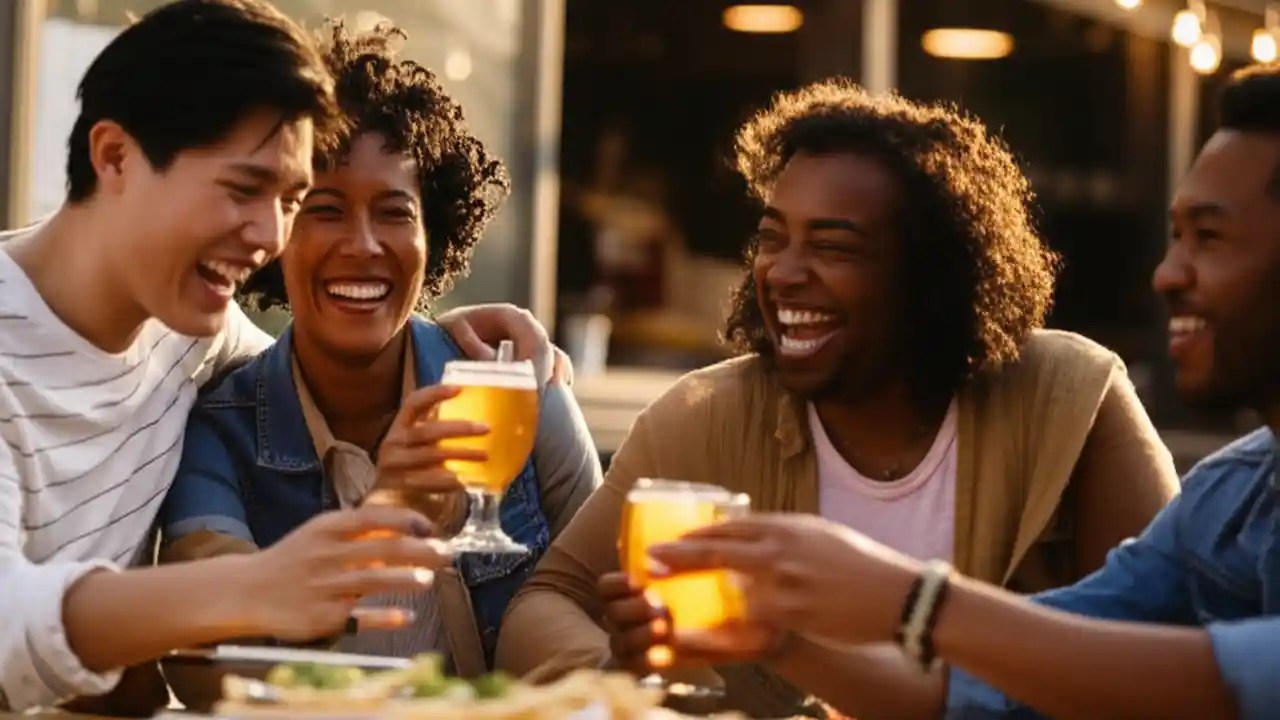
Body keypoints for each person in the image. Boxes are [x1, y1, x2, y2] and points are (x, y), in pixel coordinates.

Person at [496, 78, 1179, 717]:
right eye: (772, 238)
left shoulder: (1073, 399)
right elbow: (548, 601)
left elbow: (1170, 655)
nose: (784, 272)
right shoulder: (704, 417)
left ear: (928, 274)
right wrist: (613, 682)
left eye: (835, 246)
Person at [642, 61, 1280, 720]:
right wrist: (776, 638)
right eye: (1176, 238)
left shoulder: (1075, 392)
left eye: (1209, 237)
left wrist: (909, 598)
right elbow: (1015, 676)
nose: (1167, 275)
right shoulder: (1228, 497)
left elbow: (1214, 688)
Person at [0, 0, 560, 713]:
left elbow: (314, 366)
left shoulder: (189, 327)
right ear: (115, 156)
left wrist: (436, 333)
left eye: (293, 199)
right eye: (243, 189)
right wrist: (258, 586)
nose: (270, 235)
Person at [157, 22, 601, 705]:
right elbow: (207, 653)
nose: (362, 245)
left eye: (394, 212)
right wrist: (384, 519)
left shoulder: (520, 400)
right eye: (323, 210)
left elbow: (601, 604)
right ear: (275, 234)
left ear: (435, 235)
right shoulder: (218, 429)